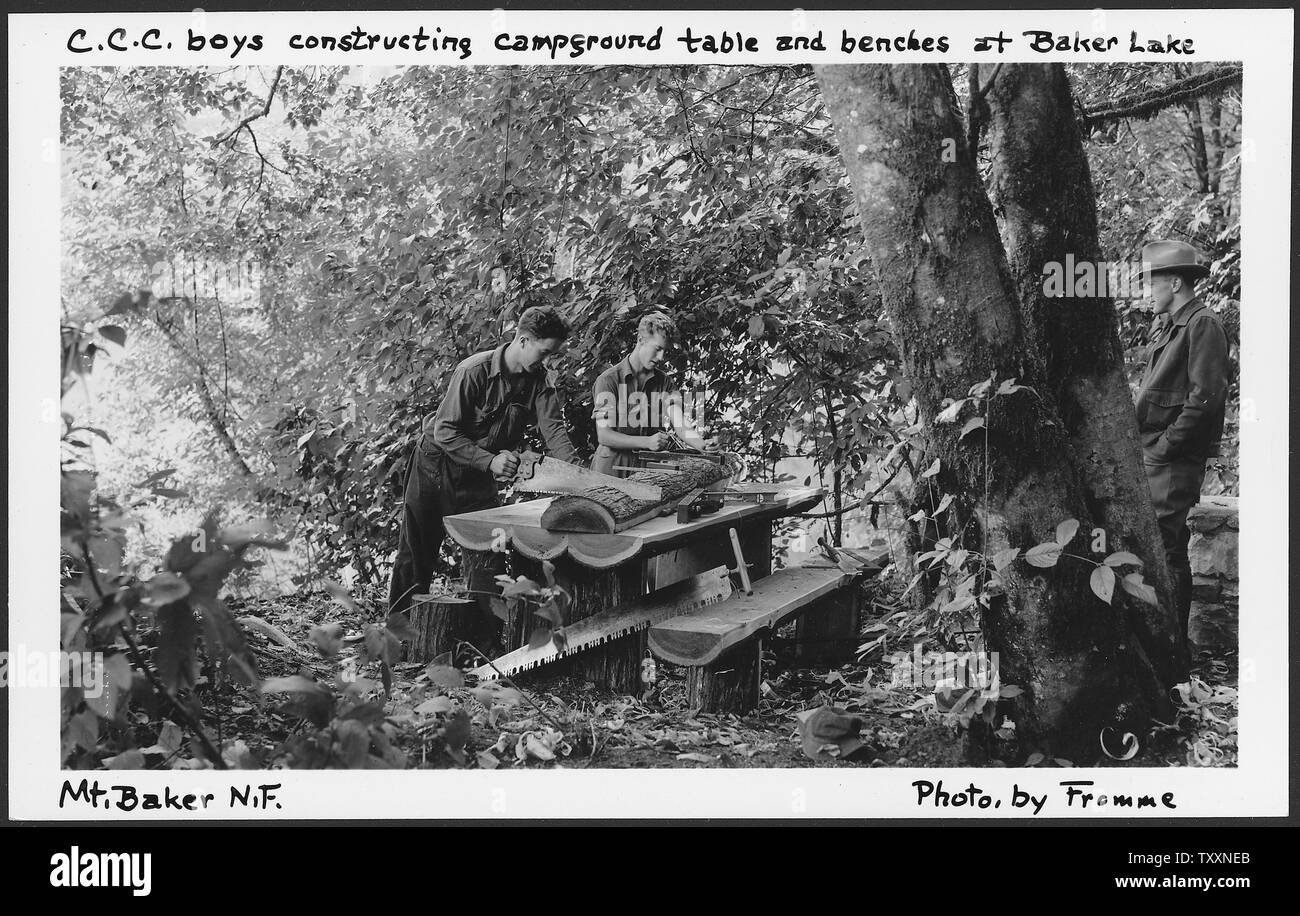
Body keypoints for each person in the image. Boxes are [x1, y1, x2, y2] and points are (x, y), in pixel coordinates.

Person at [388, 304, 579, 618]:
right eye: (544, 353)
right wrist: (490, 461)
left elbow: (554, 431)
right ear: (523, 341)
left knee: (487, 559)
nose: (546, 362)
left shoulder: (540, 383)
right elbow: (445, 430)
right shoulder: (473, 371)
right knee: (415, 556)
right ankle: (396, 635)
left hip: (477, 482)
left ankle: (481, 645)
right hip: (434, 470)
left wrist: (579, 478)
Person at [1134, 239, 1230, 640]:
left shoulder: (1202, 323)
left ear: (1174, 282)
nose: (1146, 292)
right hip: (1158, 455)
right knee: (1160, 546)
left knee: (1168, 549)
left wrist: (1167, 445)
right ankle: (1165, 647)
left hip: (1172, 458)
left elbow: (1206, 397)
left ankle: (1174, 652)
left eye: (1151, 283)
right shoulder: (1171, 326)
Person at [589, 311, 713, 477]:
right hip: (609, 470)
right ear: (641, 340)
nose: (661, 357)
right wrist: (646, 442)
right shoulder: (608, 380)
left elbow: (681, 424)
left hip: (646, 472)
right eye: (657, 349)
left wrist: (703, 445)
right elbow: (604, 435)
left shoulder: (665, 382)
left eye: (664, 351)